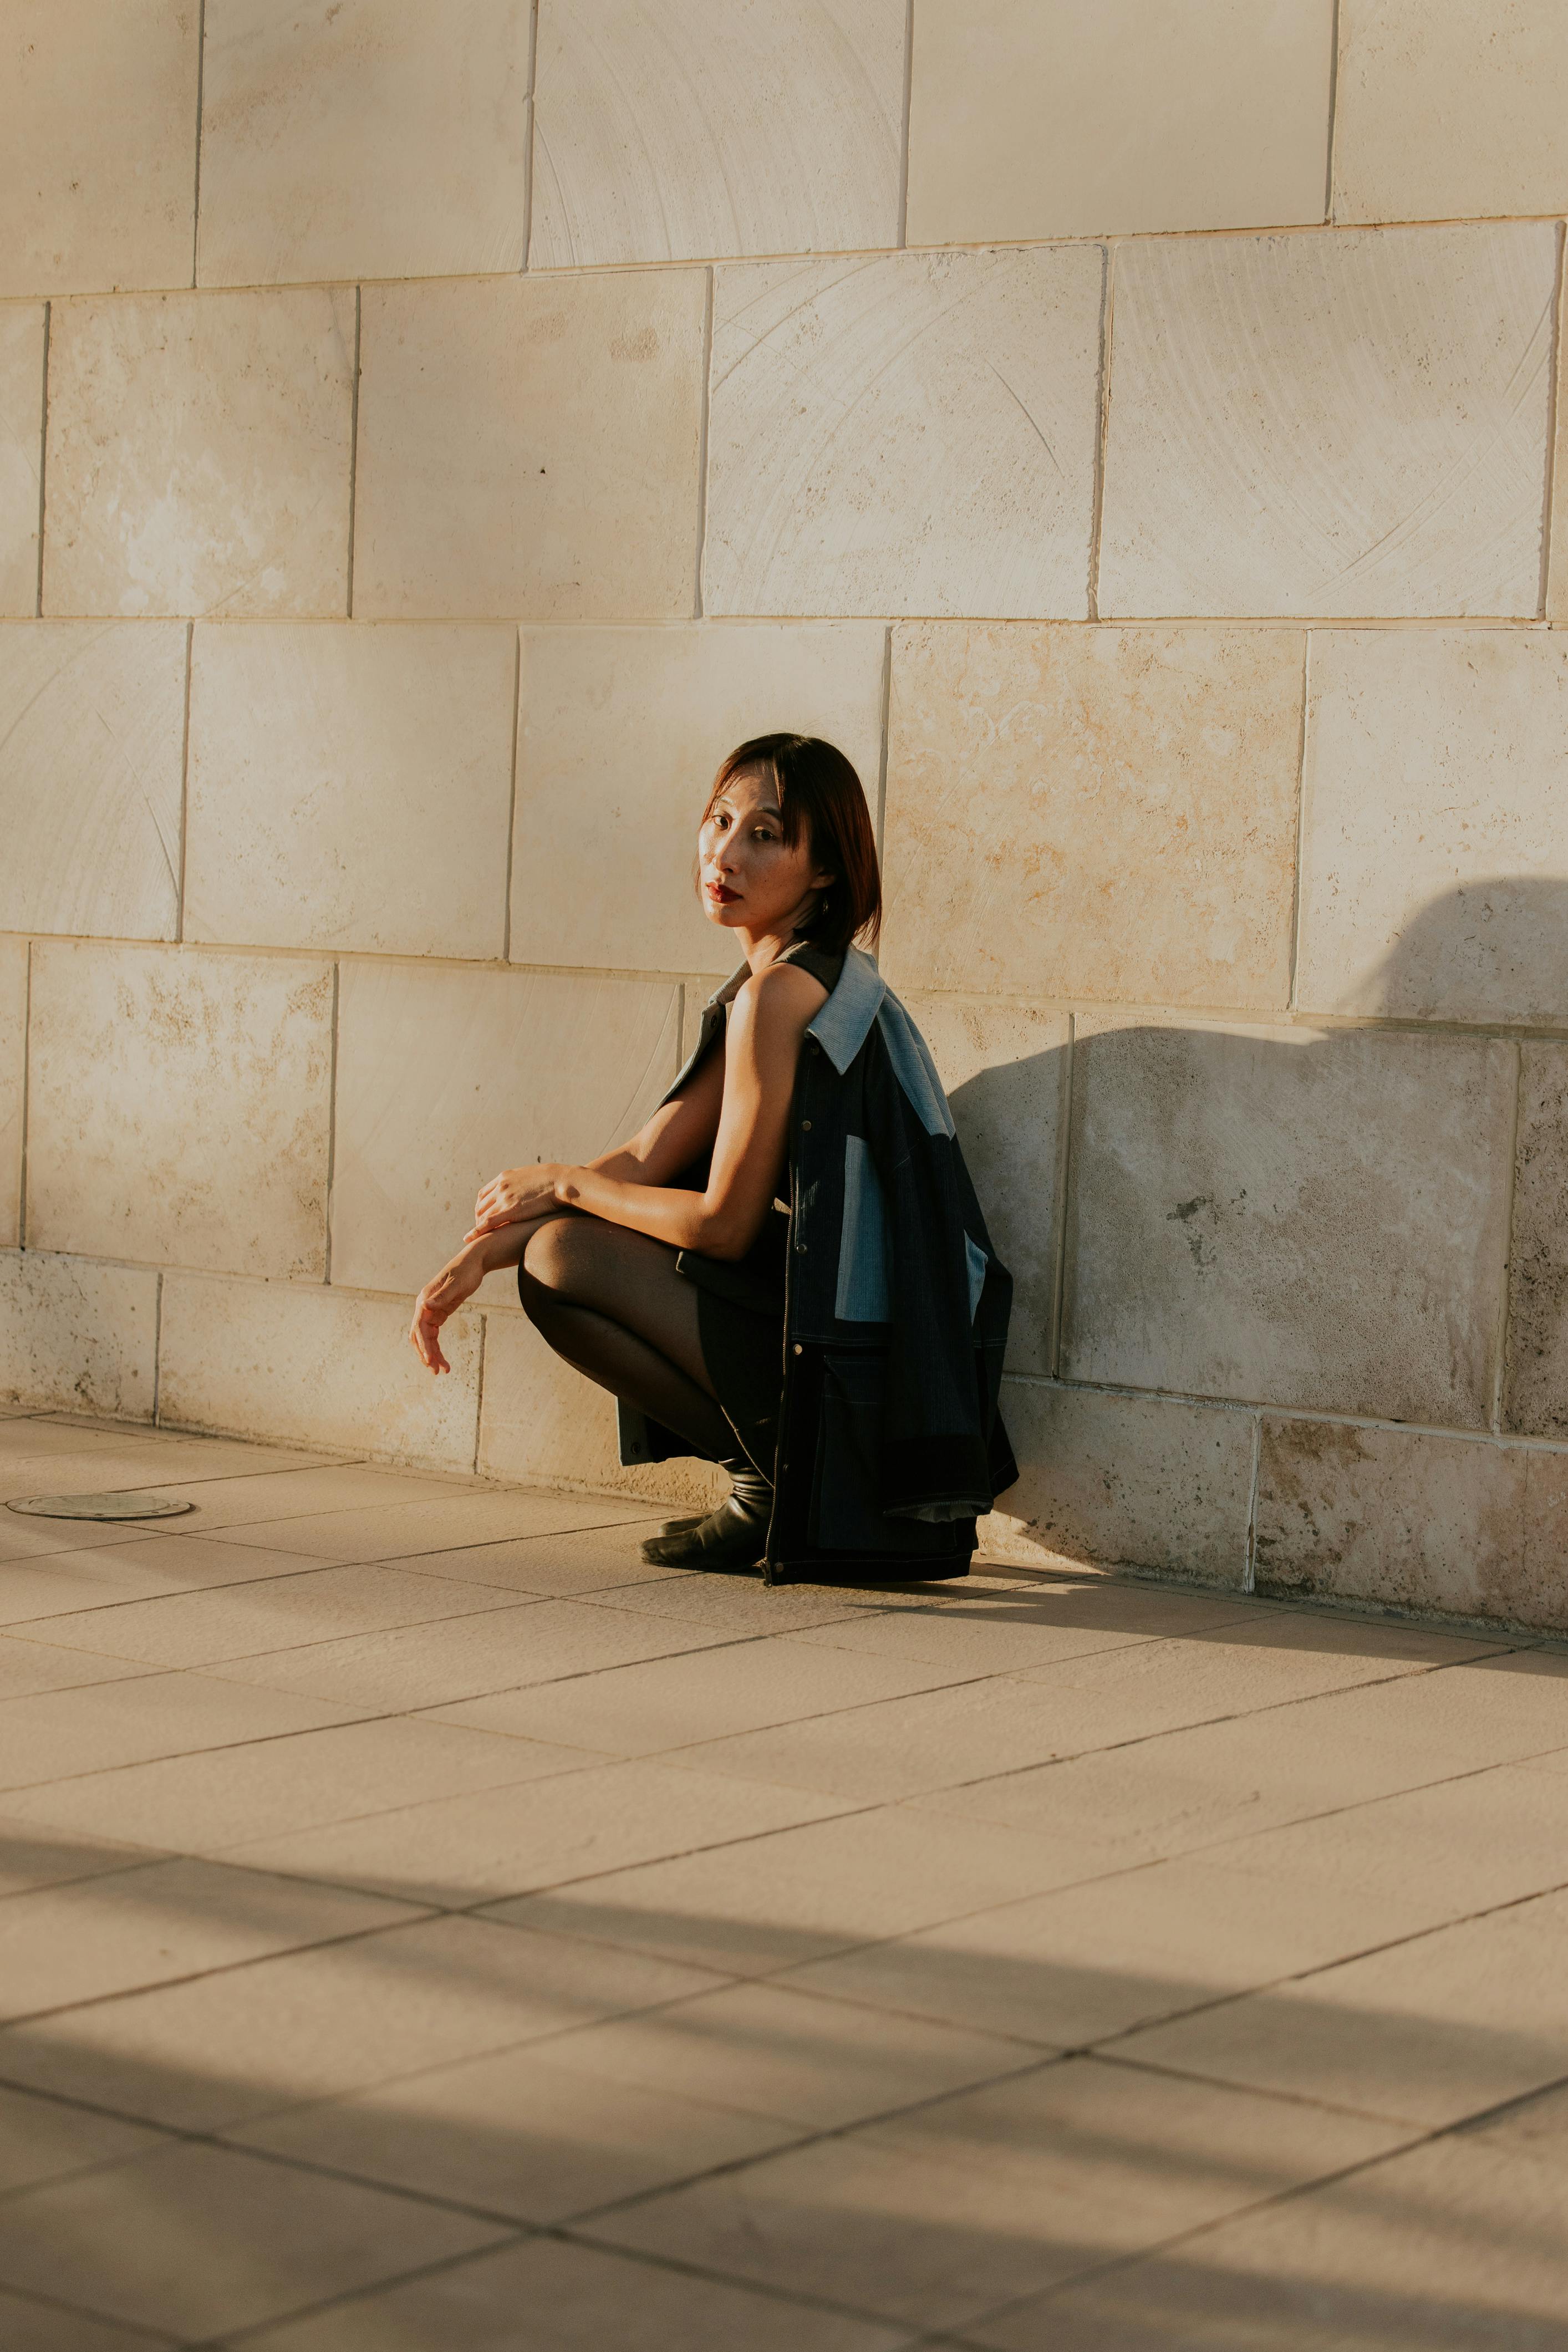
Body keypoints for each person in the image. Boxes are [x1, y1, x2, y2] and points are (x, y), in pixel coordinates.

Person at [408, 734, 1017, 1584]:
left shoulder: (784, 992)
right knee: (544, 1252)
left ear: (826, 871)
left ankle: (779, 1490)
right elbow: (650, 1157)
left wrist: (557, 1184)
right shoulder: (787, 983)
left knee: (563, 1255)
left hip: (865, 1392)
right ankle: (767, 1486)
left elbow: (725, 1225)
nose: (724, 852)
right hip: (871, 1363)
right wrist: (483, 1251)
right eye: (720, 819)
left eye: (765, 834)